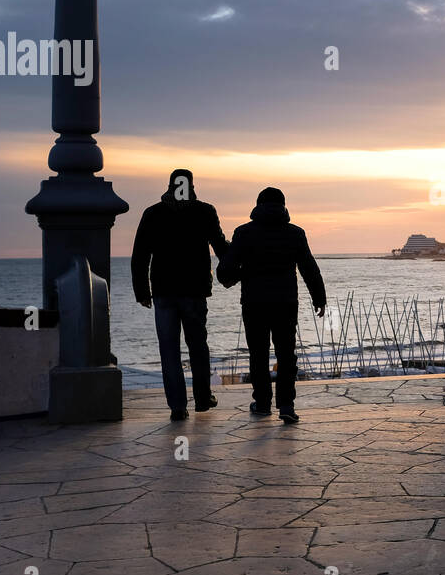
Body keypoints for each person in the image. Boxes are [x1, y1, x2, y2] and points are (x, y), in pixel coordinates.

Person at [218, 187, 325, 424]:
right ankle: (286, 405)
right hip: (285, 303)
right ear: (284, 207)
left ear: (257, 206)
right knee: (286, 355)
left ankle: (263, 403)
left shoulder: (244, 233)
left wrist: (233, 278)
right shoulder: (295, 233)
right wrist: (320, 298)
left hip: (254, 303)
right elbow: (309, 269)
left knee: (258, 354)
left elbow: (225, 271)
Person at [131, 169, 230, 421]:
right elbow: (220, 247)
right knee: (198, 345)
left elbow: (140, 255)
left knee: (169, 349)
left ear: (170, 185)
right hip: (194, 291)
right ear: (192, 185)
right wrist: (238, 266)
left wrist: (142, 291)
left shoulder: (153, 213)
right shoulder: (205, 211)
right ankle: (202, 398)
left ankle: (177, 406)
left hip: (164, 292)